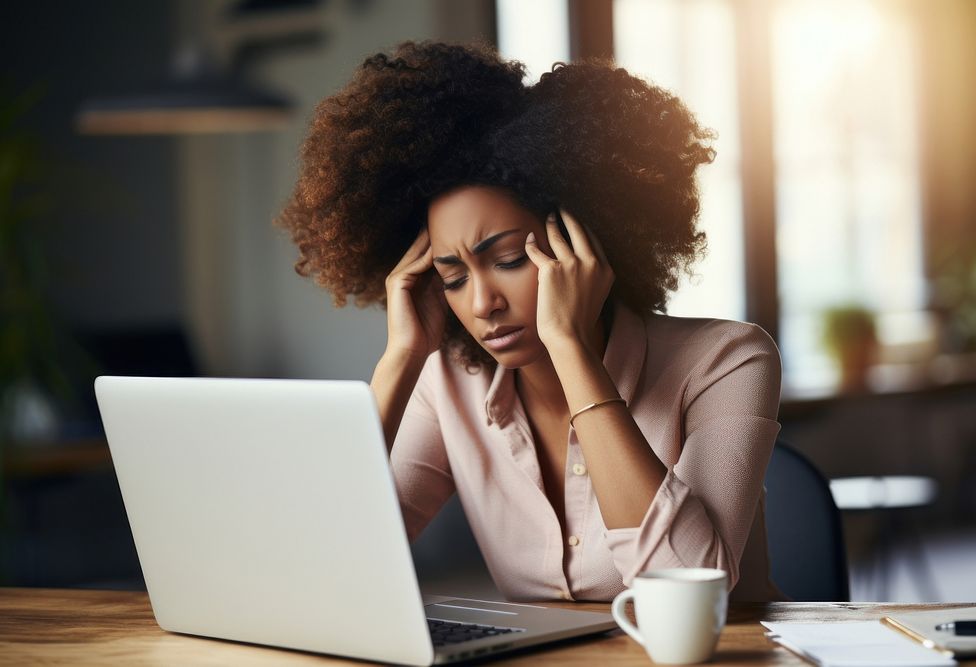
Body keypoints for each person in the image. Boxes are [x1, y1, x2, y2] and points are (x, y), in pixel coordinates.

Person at [276, 40, 784, 602]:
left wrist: (569, 346)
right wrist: (401, 357)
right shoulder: (446, 383)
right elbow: (323, 561)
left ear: (587, 244)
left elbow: (688, 587)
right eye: (452, 276)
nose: (481, 302)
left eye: (510, 259)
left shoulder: (726, 360)